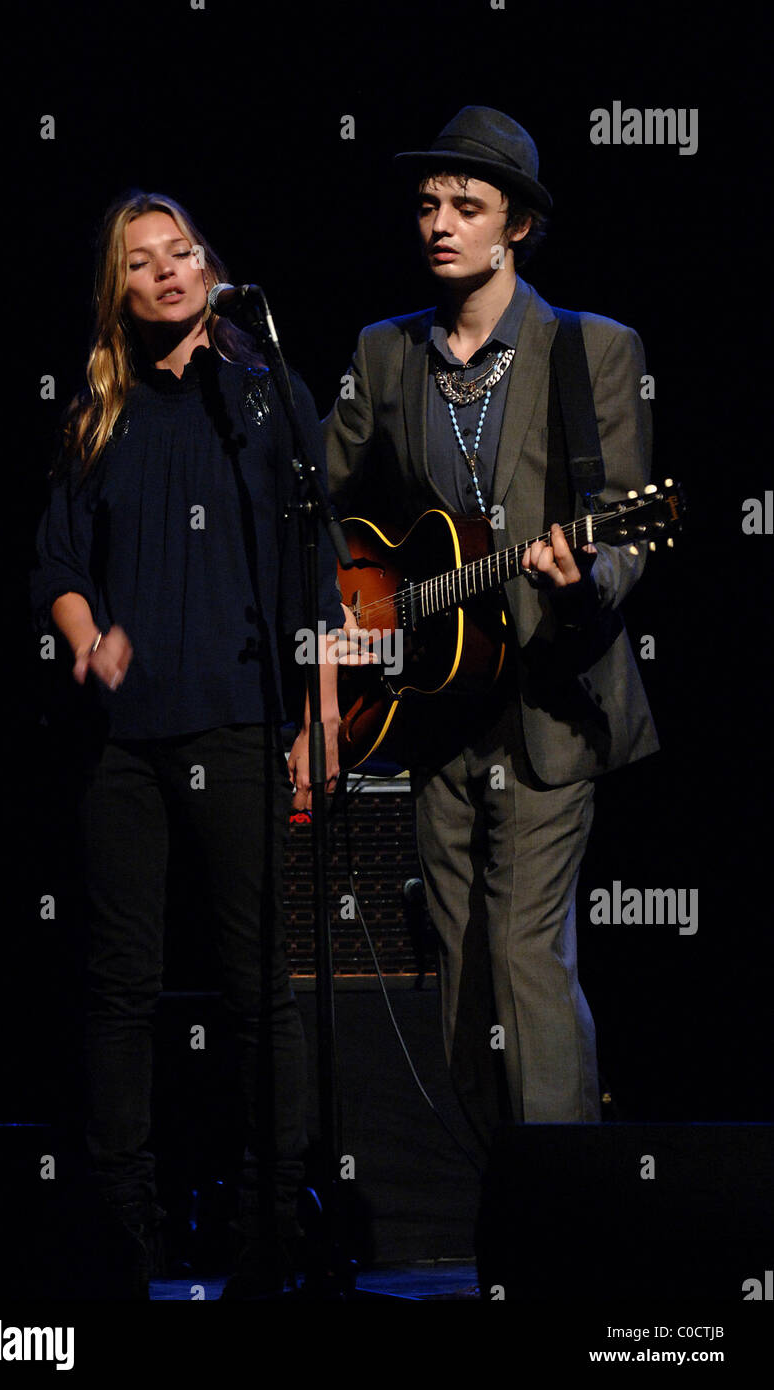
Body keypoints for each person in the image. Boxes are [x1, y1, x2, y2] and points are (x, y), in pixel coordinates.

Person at [324, 107, 659, 1149]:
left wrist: (584, 571)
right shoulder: (386, 356)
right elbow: (320, 513)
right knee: (464, 972)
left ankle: (562, 1216)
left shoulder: (589, 350)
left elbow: (624, 534)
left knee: (523, 957)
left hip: (551, 701)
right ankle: (503, 1203)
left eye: (465, 207)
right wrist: (348, 612)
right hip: (436, 708)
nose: (439, 223)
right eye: (427, 205)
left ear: (514, 225)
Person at [31, 189, 342, 1299]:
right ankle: (129, 1240)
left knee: (265, 988)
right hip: (124, 743)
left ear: (210, 266)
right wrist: (86, 640)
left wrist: (316, 719)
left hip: (243, 720)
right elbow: (59, 567)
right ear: (117, 288)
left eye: (184, 252)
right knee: (121, 987)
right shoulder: (97, 410)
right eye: (141, 261)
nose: (169, 271)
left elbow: (316, 573)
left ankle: (271, 1238)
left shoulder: (267, 395)